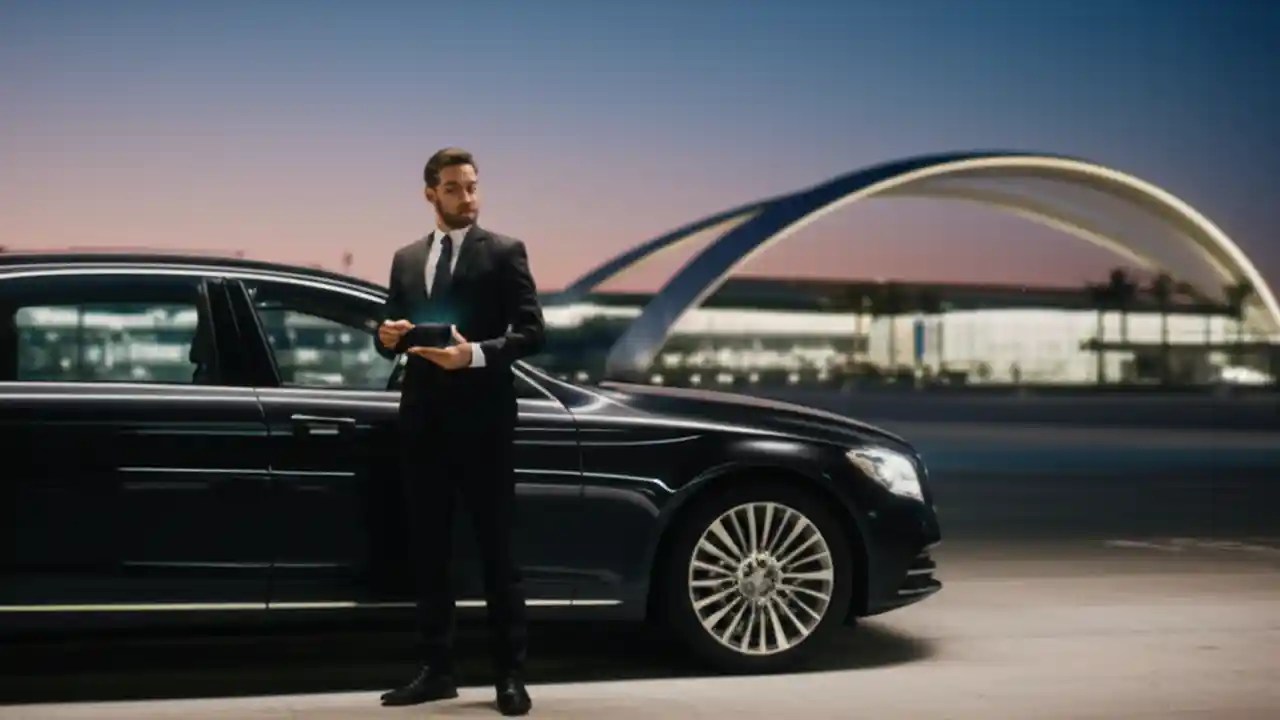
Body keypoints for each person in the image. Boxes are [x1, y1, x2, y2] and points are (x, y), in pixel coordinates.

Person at [374, 147, 545, 715]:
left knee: (498, 554)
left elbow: (531, 333)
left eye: (472, 186)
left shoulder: (504, 252)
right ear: (430, 193)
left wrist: (474, 354)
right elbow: (390, 333)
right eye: (453, 188)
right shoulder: (404, 258)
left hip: (485, 425)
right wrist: (389, 335)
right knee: (430, 553)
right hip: (422, 422)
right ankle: (437, 671)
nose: (467, 198)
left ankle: (509, 677)